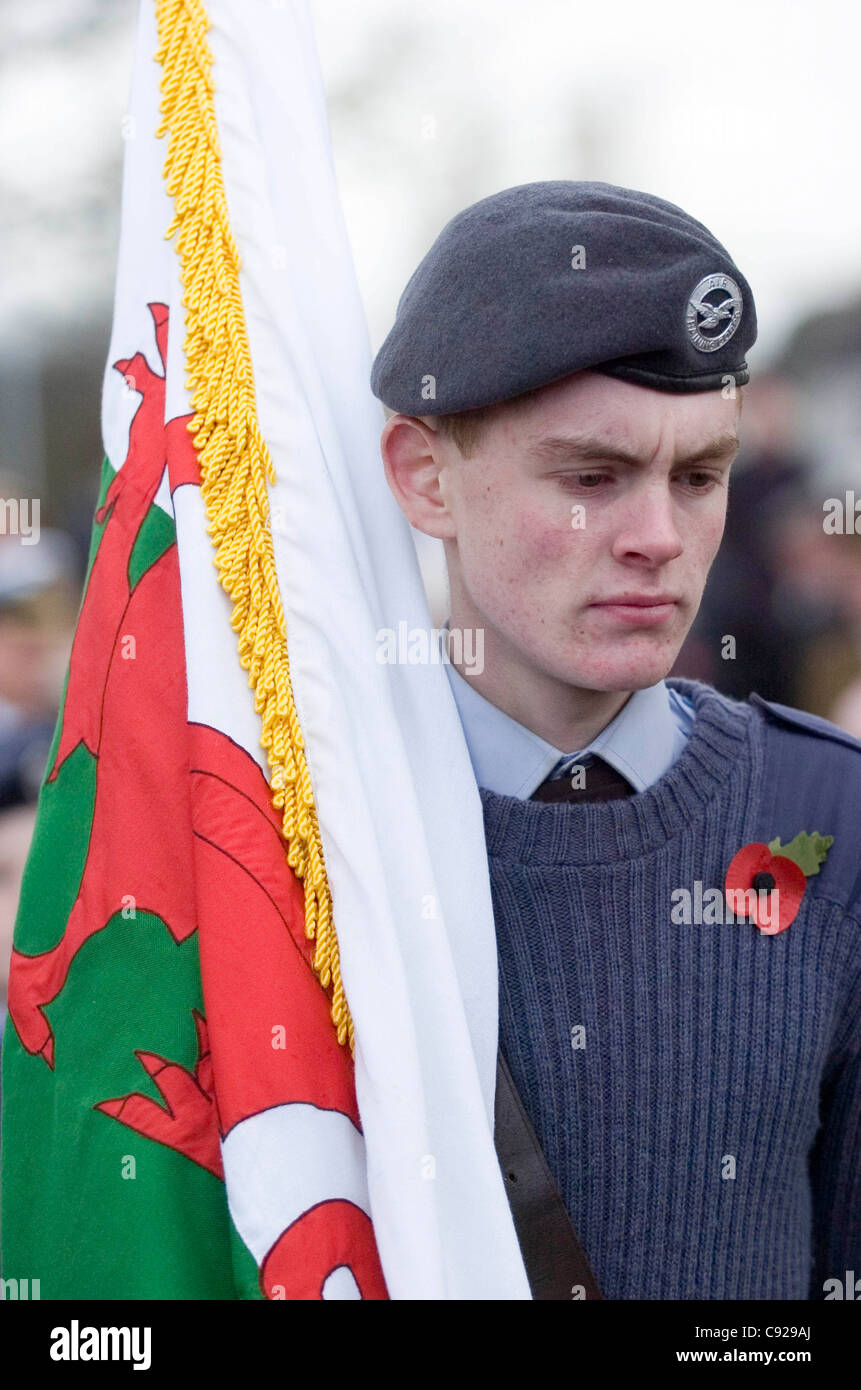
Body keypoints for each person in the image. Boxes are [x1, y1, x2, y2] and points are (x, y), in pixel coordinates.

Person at [370, 181, 860, 1300]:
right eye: (592, 477)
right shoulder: (292, 828)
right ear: (424, 473)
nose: (658, 538)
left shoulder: (835, 823)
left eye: (700, 476)